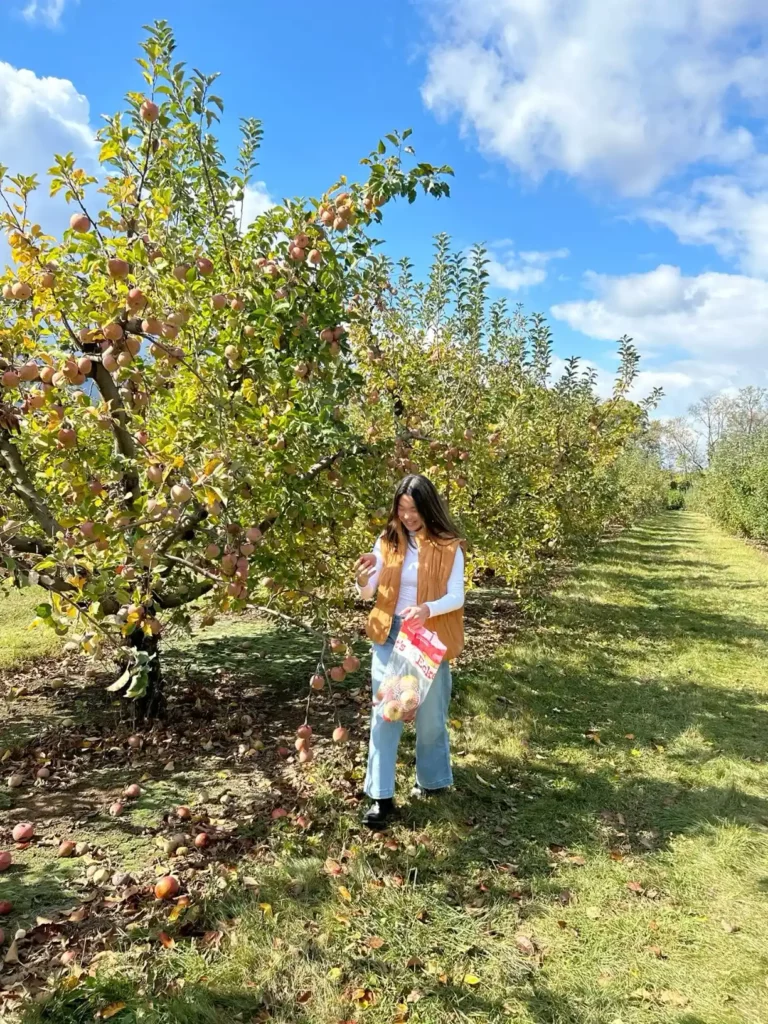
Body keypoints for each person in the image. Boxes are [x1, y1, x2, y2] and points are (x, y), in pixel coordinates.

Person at [355, 474, 465, 829]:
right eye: (401, 509)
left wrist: (427, 609)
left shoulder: (449, 546)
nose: (407, 517)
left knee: (430, 718)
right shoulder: (386, 541)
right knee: (387, 715)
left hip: (426, 638)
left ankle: (432, 782)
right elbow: (367, 593)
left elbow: (456, 596)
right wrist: (361, 578)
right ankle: (381, 796)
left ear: (428, 508)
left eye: (414, 510)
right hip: (389, 635)